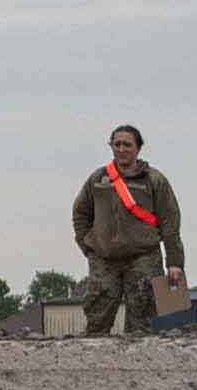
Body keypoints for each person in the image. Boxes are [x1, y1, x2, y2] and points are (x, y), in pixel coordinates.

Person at [71, 125, 184, 337]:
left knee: (141, 319)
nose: (122, 149)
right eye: (117, 144)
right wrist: (88, 247)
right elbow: (80, 213)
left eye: (127, 144)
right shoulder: (98, 178)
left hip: (144, 257)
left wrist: (175, 263)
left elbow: (170, 223)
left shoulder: (154, 180)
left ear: (138, 148)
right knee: (98, 315)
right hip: (104, 258)